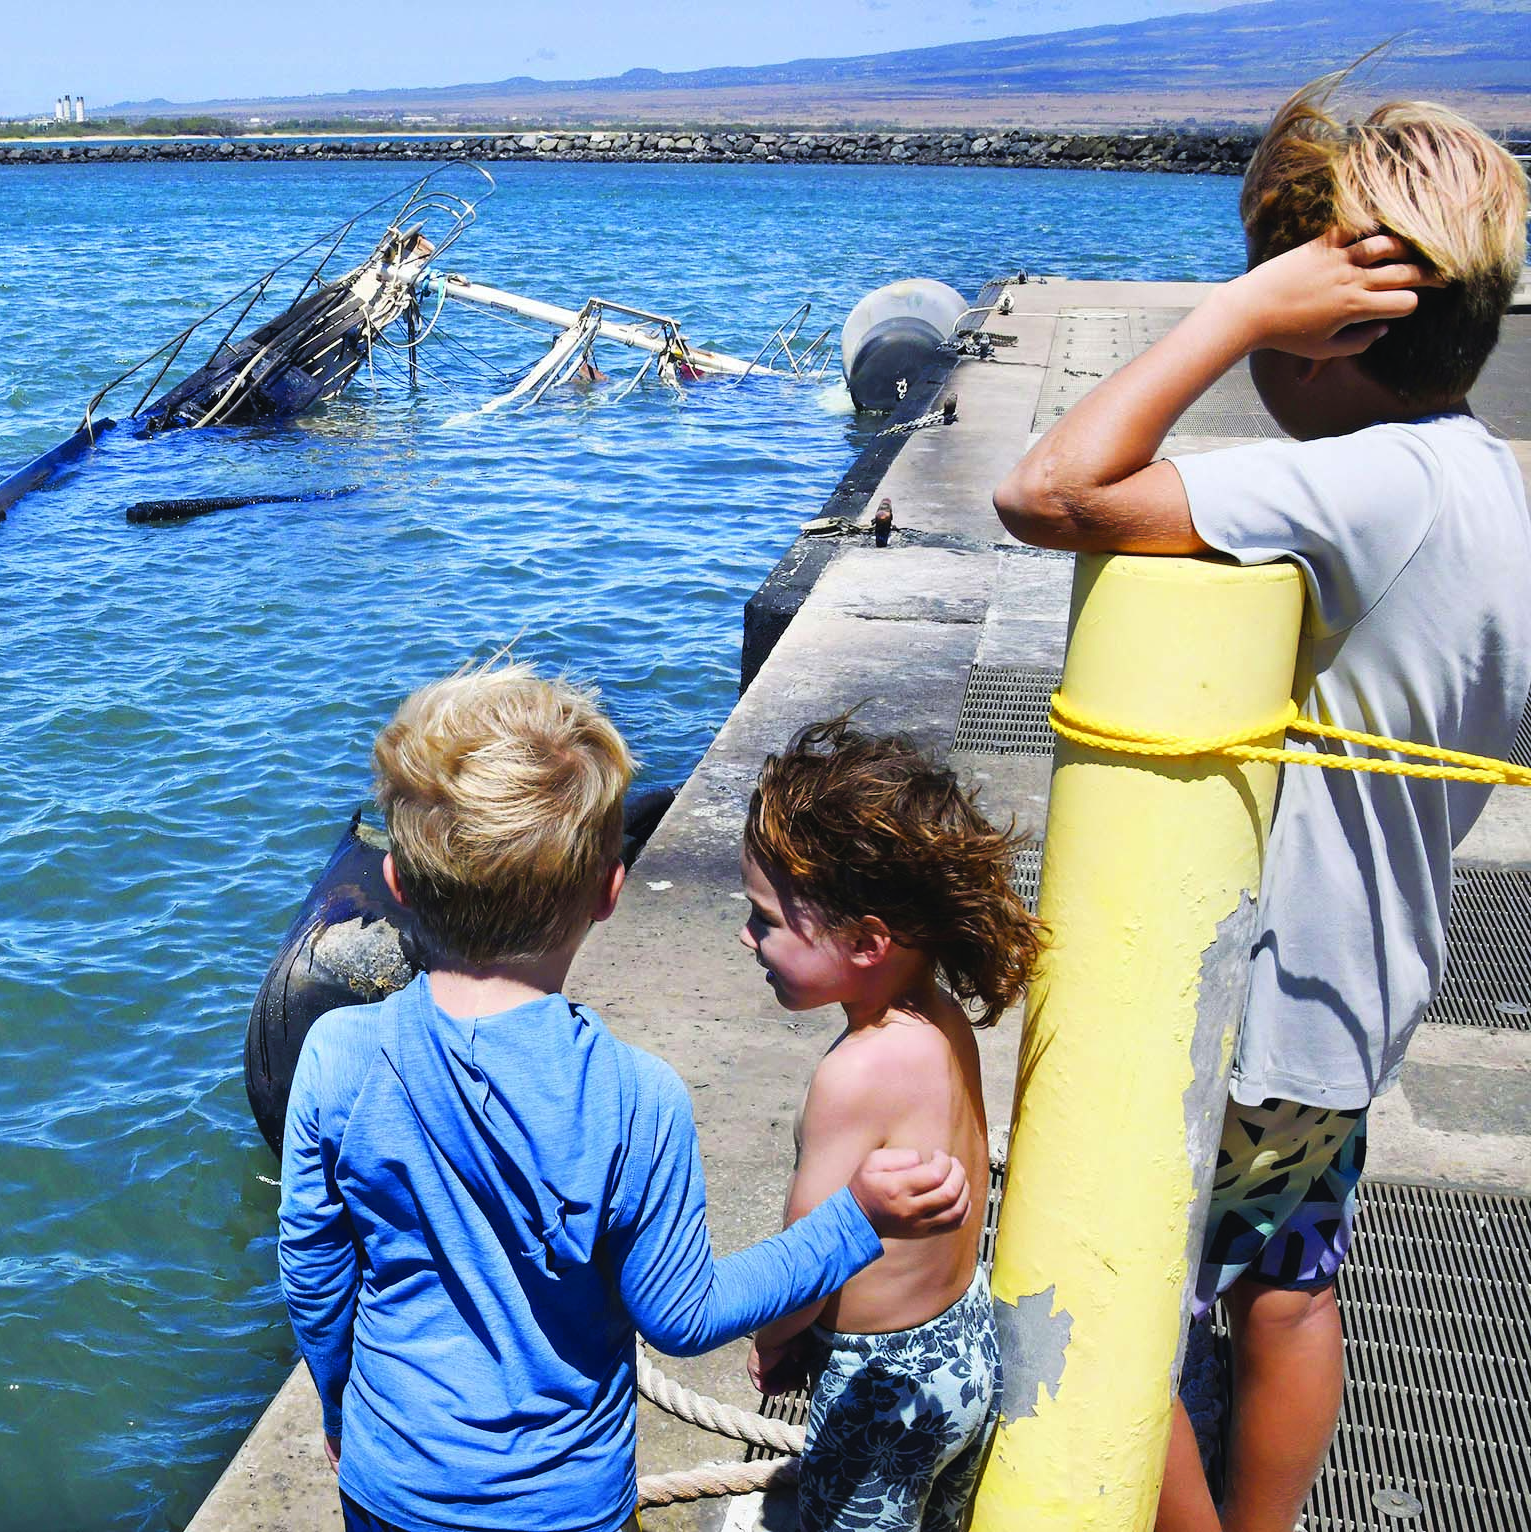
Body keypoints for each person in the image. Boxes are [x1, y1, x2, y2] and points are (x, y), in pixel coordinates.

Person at [991, 69, 1531, 1532]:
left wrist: (1224, 318)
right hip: (1362, 988)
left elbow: (1049, 489)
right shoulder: (1483, 479)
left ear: (1333, 324)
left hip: (1254, 997)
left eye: (1274, 302)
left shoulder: (1368, 484)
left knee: (1131, 1282)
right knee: (1291, 1287)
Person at [278, 662, 977, 1532]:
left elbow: (314, 1275)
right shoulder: (635, 1099)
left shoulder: (339, 1055)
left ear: (398, 886)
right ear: (611, 891)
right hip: (566, 1503)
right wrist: (855, 1221)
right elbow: (685, 1316)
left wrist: (347, 1409)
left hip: (392, 1486)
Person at [740, 721, 1042, 1532]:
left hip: (881, 1385)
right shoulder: (943, 1020)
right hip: (963, 1342)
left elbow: (811, 1245)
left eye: (765, 919)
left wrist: (774, 1340)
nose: (747, 938)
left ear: (868, 940)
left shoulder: (855, 1070)